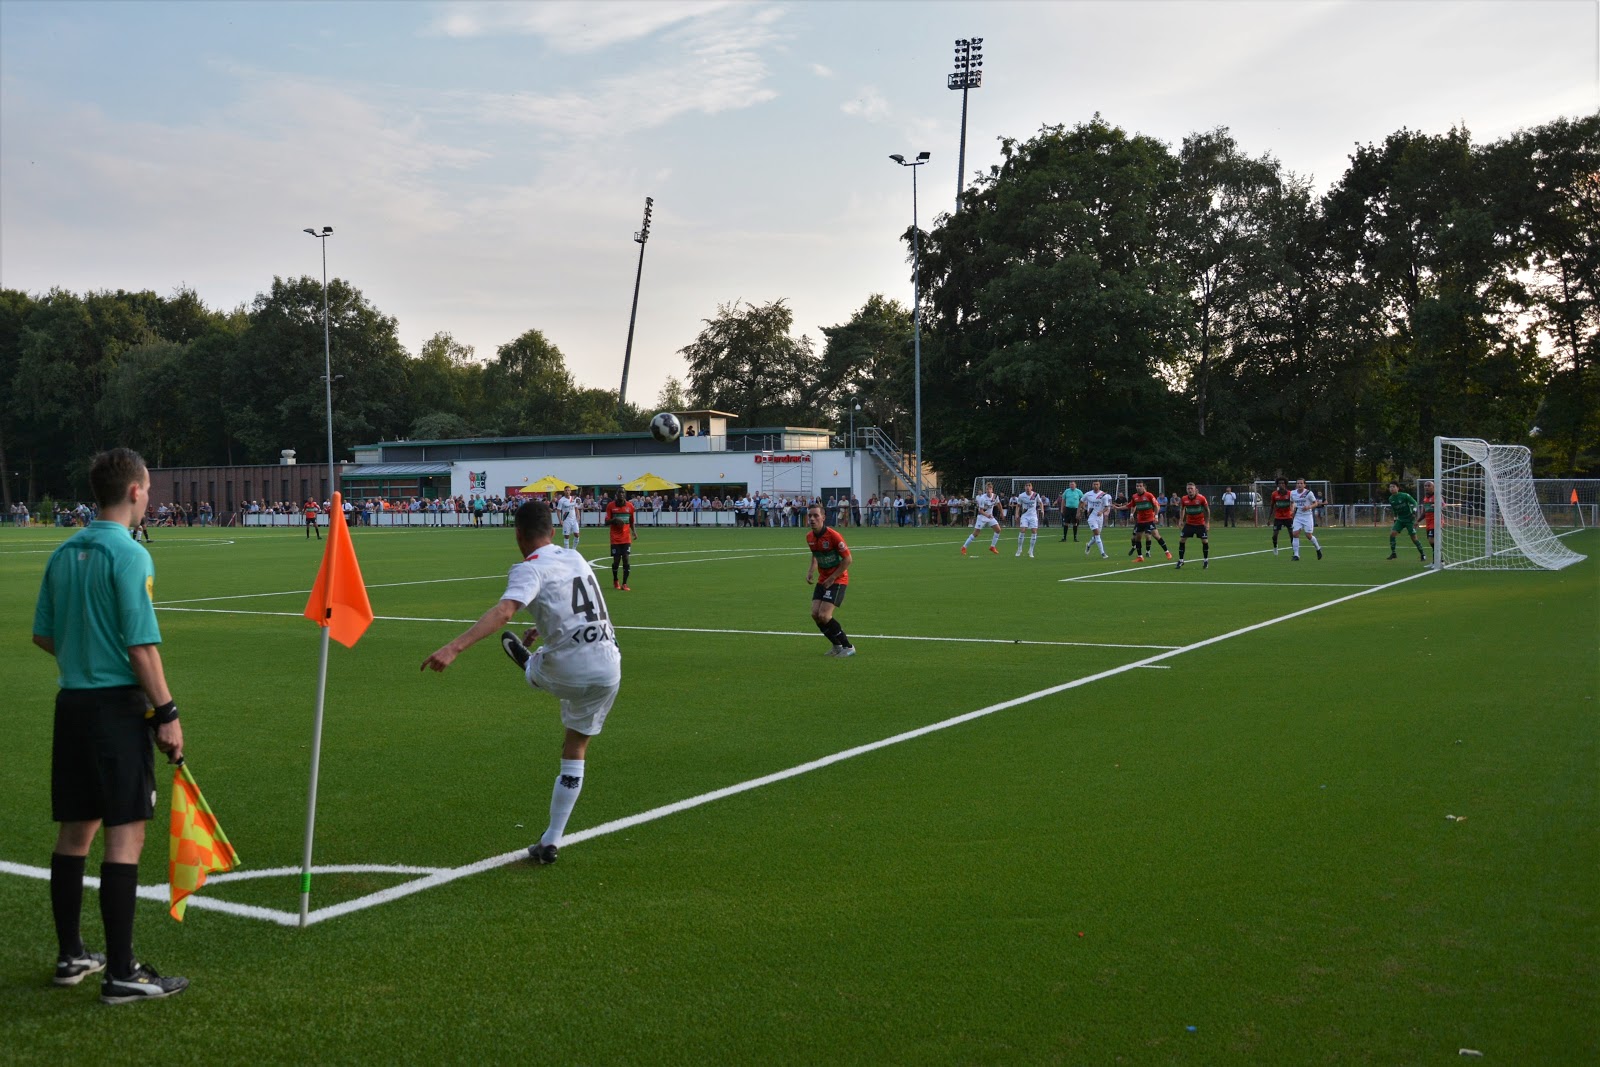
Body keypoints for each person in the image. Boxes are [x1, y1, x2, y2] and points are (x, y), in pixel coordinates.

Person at [32, 447, 188, 1003]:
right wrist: (167, 713)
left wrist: (85, 658)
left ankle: (71, 953)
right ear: (136, 490)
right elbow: (141, 647)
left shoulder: (62, 552)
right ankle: (122, 971)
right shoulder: (129, 554)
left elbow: (44, 635)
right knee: (127, 831)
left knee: (76, 830)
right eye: (149, 490)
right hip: (116, 709)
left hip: (72, 705)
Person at [421, 500, 620, 866]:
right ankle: (551, 839)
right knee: (575, 747)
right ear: (554, 531)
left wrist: (453, 648)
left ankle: (530, 665)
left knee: (539, 670)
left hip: (566, 669)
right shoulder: (575, 557)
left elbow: (504, 612)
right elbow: (577, 603)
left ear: (517, 534)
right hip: (608, 666)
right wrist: (544, 623)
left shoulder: (527, 568)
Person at [805, 503, 855, 657]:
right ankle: (837, 646)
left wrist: (833, 577)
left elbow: (848, 559)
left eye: (816, 515)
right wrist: (811, 571)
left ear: (823, 517)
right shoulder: (809, 537)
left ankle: (848, 647)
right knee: (815, 614)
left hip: (838, 579)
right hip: (823, 579)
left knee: (824, 616)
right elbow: (815, 555)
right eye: (810, 516)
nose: (812, 519)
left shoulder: (834, 536)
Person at [1120, 481, 1171, 562]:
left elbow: (1156, 505)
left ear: (1144, 487)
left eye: (1140, 486)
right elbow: (1130, 505)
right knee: (1137, 538)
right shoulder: (1134, 496)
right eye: (1137, 486)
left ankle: (1167, 552)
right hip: (1140, 521)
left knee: (1156, 536)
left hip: (1149, 520)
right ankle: (1140, 557)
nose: (1138, 487)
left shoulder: (1149, 495)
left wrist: (1156, 516)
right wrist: (1119, 508)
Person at [1386, 481, 1428, 562]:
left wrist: (1414, 512)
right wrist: (1395, 519)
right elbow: (1394, 510)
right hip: (1400, 520)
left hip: (1409, 519)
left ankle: (1423, 554)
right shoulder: (1391, 499)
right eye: (1390, 487)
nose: (1391, 488)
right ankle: (1393, 553)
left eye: (1393, 487)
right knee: (1392, 534)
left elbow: (1415, 503)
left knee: (1413, 538)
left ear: (1398, 488)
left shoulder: (1404, 495)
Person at [603, 489, 636, 590]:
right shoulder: (610, 506)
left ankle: (625, 583)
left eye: (623, 493)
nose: (621, 494)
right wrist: (615, 520)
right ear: (616, 495)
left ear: (625, 495)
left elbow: (631, 521)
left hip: (626, 537)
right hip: (615, 538)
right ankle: (615, 580)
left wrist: (634, 532)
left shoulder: (630, 506)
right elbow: (606, 522)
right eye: (619, 493)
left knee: (626, 559)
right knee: (616, 561)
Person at [1173, 481, 1210, 570]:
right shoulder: (1184, 499)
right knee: (1182, 540)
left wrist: (1207, 522)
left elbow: (1207, 510)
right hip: (1189, 523)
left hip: (1200, 524)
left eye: (1191, 488)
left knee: (1205, 541)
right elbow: (1182, 509)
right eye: (1188, 489)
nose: (1190, 490)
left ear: (1195, 490)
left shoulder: (1201, 498)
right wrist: (1181, 520)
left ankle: (1205, 560)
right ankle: (1181, 560)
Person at [961, 482, 1005, 556]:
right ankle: (964, 547)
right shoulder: (982, 498)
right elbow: (980, 511)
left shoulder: (995, 496)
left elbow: (999, 504)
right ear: (985, 490)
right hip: (982, 517)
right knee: (976, 534)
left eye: (990, 489)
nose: (988, 490)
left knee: (998, 530)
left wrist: (1002, 513)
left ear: (992, 489)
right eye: (987, 489)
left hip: (990, 517)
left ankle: (992, 547)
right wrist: (987, 515)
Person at [1289, 478, 1324, 561]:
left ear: (1304, 485)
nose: (1299, 485)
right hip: (1298, 516)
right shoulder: (1293, 493)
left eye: (1301, 483)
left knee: (1308, 535)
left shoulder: (1308, 493)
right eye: (1298, 483)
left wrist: (1309, 507)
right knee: (1295, 534)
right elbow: (1291, 502)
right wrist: (1292, 511)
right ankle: (1296, 555)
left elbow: (1315, 503)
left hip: (1307, 516)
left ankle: (1318, 548)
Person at [1081, 480, 1113, 559]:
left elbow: (1106, 507)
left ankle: (1088, 545)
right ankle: (1103, 553)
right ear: (1092, 485)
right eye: (1094, 484)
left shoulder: (1104, 495)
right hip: (1091, 517)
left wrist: (1101, 512)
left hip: (1100, 517)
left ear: (1099, 485)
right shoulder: (1088, 494)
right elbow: (1081, 501)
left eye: (1097, 484)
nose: (1095, 485)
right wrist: (1080, 511)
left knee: (1096, 536)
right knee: (1097, 535)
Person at [1014, 481, 1044, 558]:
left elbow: (1040, 503)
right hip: (1025, 516)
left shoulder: (1036, 495)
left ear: (1031, 487)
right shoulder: (1021, 496)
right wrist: (1017, 514)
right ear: (1025, 487)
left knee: (1034, 531)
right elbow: (1018, 505)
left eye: (1029, 486)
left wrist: (1042, 510)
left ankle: (1031, 550)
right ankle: (1019, 549)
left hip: (1033, 516)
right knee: (1022, 530)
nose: (1028, 487)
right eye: (1026, 486)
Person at [1269, 477, 1294, 556]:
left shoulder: (1290, 493)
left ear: (1285, 484)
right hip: (1278, 517)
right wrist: (1269, 519)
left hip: (1288, 517)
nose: (1281, 485)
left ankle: (1294, 550)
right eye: (1279, 483)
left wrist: (1293, 513)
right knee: (1274, 535)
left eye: (1283, 483)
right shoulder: (1274, 494)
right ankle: (1275, 547)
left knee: (1292, 534)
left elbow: (1293, 504)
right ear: (1277, 484)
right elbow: (1272, 506)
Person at [1418, 479, 1437, 562]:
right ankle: (1437, 560)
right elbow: (1424, 512)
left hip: (1436, 522)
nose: (1427, 487)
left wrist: (1437, 505)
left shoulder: (1437, 496)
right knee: (1431, 541)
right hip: (1428, 522)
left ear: (1433, 487)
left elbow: (1444, 506)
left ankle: (1438, 560)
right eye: (1425, 486)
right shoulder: (1426, 498)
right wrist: (1417, 521)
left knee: (1431, 539)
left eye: (1429, 486)